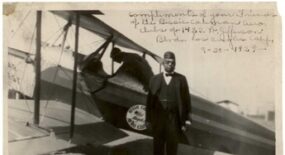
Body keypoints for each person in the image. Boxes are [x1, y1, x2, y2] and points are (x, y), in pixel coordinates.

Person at [146, 51, 192, 155]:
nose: (170, 64)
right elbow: (149, 101)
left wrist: (185, 120)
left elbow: (186, 100)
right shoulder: (154, 79)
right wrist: (148, 119)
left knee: (172, 147)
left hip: (174, 119)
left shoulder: (181, 79)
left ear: (175, 64)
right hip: (158, 118)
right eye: (168, 62)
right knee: (158, 146)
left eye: (173, 62)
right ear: (163, 63)